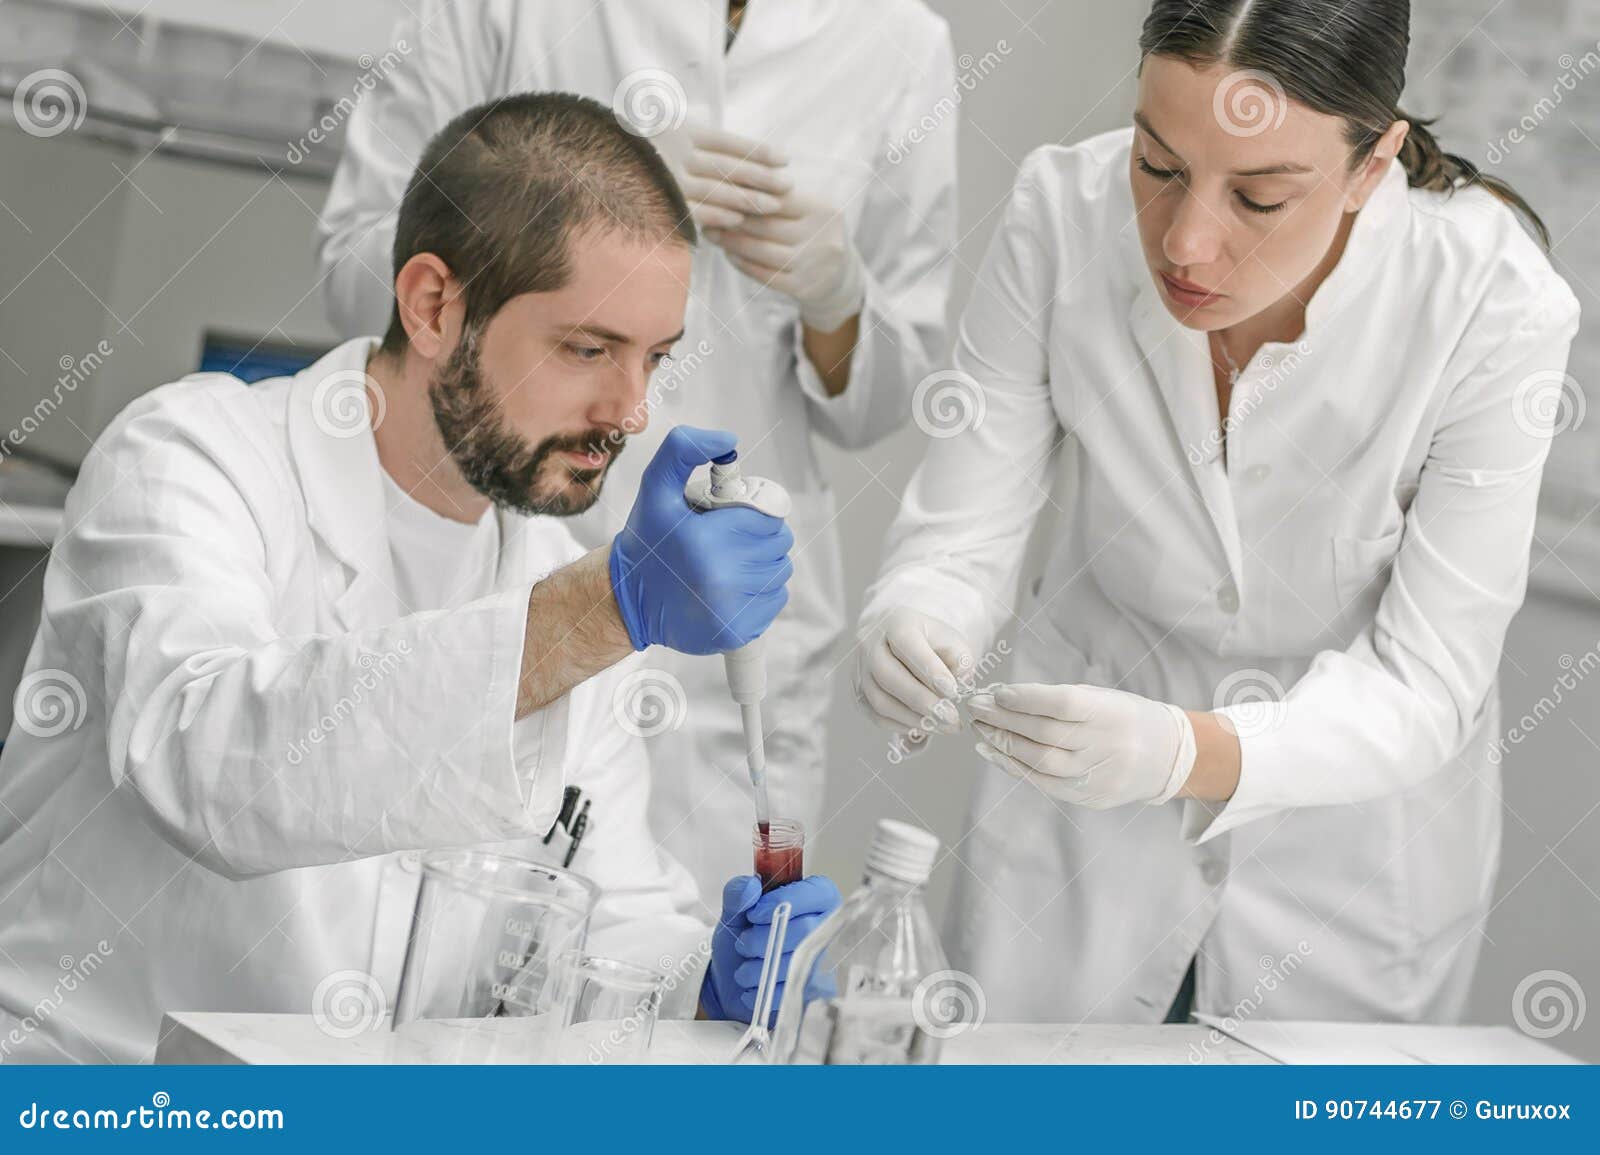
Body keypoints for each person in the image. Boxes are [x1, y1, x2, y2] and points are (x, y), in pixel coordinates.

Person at [0, 93, 838, 1064]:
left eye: (654, 357)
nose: (631, 410)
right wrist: (601, 612)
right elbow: (208, 765)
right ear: (435, 305)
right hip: (94, 1087)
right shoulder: (190, 457)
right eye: (588, 348)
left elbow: (605, 928)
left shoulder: (560, 585)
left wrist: (706, 981)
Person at [855, 0, 1581, 1025]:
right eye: (1156, 167)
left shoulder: (1491, 302)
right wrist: (915, 614)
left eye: (1261, 197)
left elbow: (1426, 683)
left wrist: (1189, 755)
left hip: (1342, 864)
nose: (1185, 244)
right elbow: (961, 526)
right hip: (1072, 851)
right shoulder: (1060, 212)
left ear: (1373, 164)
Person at [316, 0, 958, 897]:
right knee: (439, 941)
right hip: (499, 574)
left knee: (684, 968)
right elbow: (355, 276)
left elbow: (880, 405)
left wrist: (839, 298)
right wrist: (568, 201)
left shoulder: (900, 43)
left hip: (724, 633)